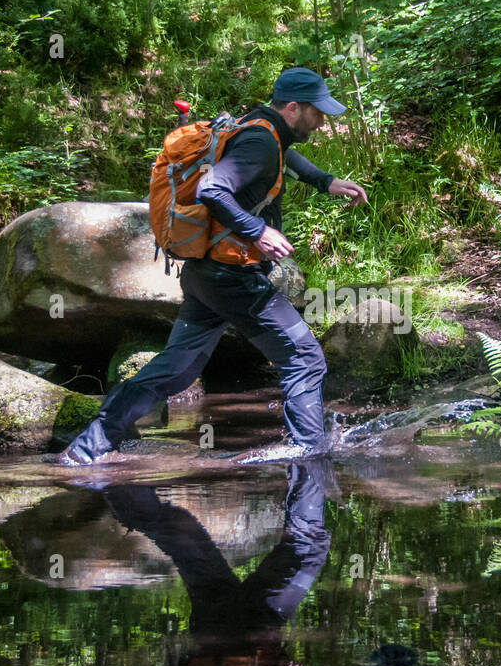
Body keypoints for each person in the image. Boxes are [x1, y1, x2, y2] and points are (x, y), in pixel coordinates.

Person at [57, 67, 367, 466]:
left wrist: (325, 181)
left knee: (178, 370)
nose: (323, 121)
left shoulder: (260, 129)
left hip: (207, 275)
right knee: (304, 357)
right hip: (231, 277)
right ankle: (308, 456)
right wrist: (258, 230)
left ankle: (87, 449)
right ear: (293, 108)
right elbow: (211, 189)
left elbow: (283, 157)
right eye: (318, 112)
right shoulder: (259, 139)